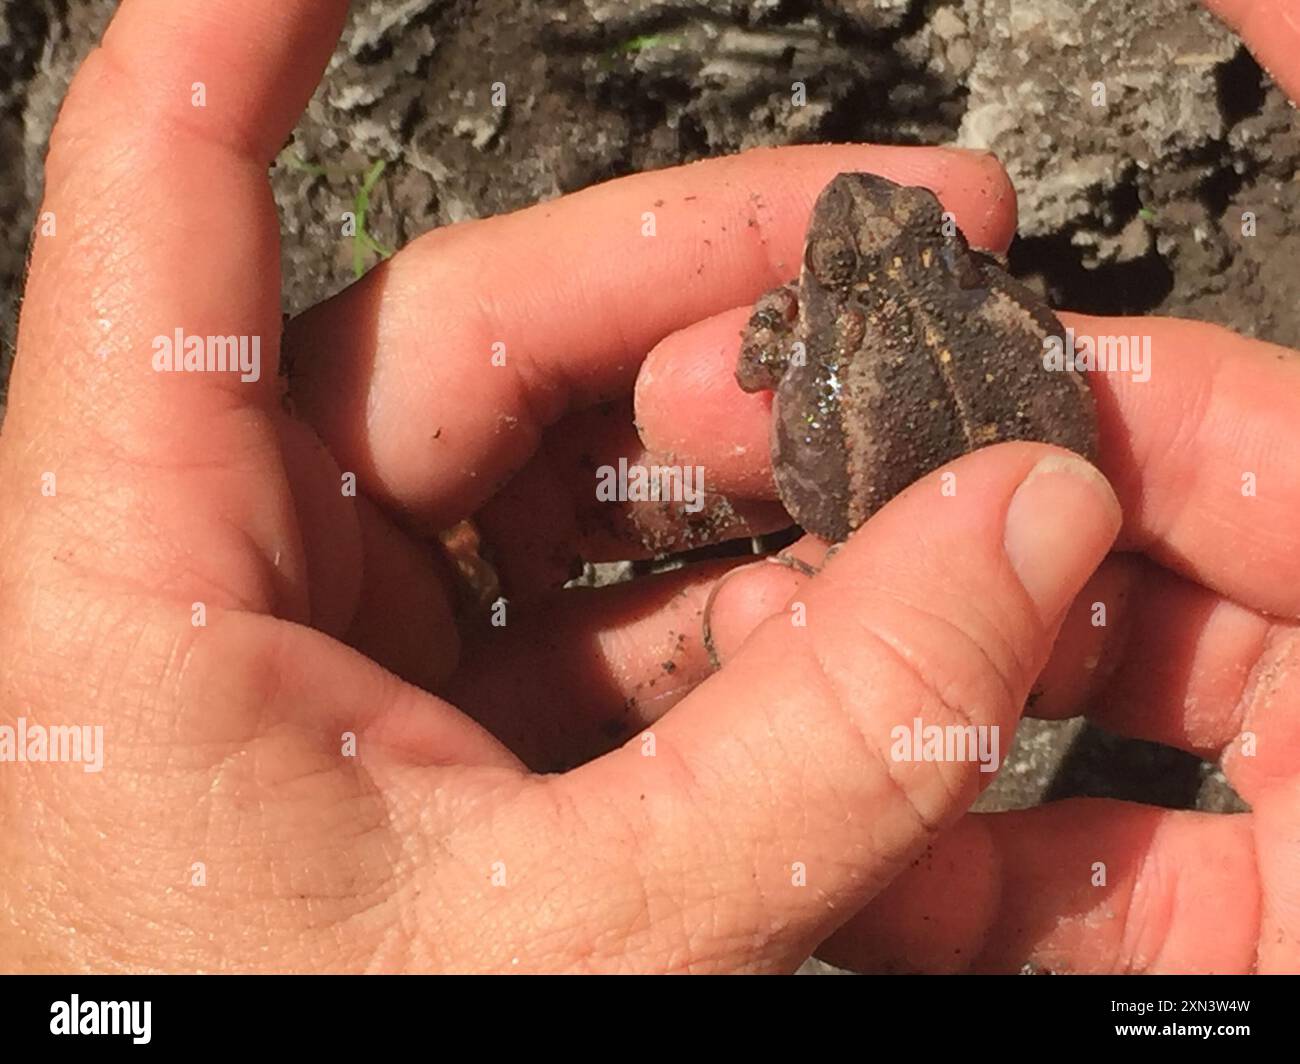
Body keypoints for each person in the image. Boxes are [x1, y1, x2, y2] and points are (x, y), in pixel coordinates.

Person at [0, 0, 1296, 974]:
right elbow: (985, 340)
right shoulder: (986, 309)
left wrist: (793, 333)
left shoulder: (818, 330)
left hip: (886, 487)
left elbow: (755, 366)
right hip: (975, 444)